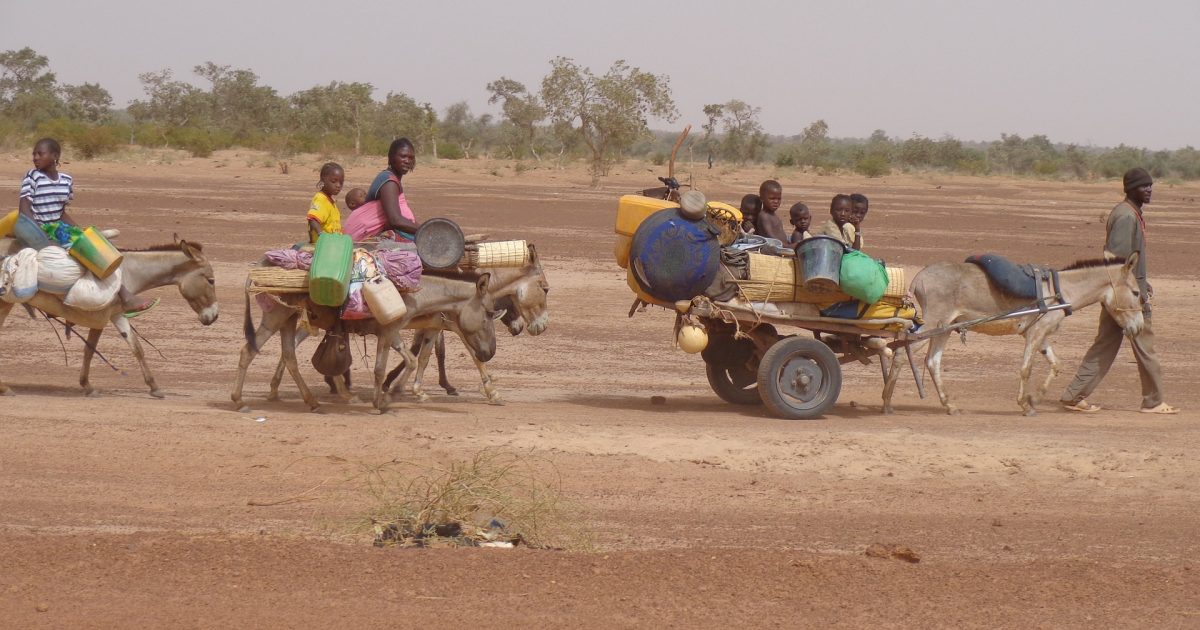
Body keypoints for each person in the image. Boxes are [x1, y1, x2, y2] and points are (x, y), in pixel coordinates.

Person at [1059, 168, 1178, 414]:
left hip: (1123, 292)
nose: (1149, 190)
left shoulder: (1131, 213)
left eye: (1150, 185)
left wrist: (1143, 282)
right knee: (1145, 345)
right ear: (1130, 189)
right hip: (1125, 298)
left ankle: (1074, 395)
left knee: (1104, 345)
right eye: (1143, 186)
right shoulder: (1126, 217)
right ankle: (1154, 401)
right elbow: (1118, 264)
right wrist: (1135, 290)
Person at [17, 138, 155, 317]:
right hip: (41, 228)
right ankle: (125, 296)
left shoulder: (66, 180)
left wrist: (83, 232)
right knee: (88, 253)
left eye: (40, 154)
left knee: (99, 246)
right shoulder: (32, 176)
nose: (35, 157)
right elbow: (24, 209)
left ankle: (90, 301)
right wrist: (40, 234)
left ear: (55, 156)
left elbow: (61, 213)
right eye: (34, 154)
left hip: (60, 228)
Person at [343, 138, 421, 242]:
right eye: (403, 156)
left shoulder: (391, 179)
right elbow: (395, 220)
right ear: (392, 157)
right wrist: (427, 229)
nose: (407, 161)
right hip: (358, 236)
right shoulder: (389, 182)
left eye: (411, 158)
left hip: (362, 232)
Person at [306, 162, 344, 244]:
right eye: (334, 181)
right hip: (323, 246)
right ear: (323, 179)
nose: (338, 185)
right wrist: (321, 235)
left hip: (332, 245)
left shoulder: (331, 202)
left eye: (341, 182)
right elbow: (313, 220)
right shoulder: (321, 199)